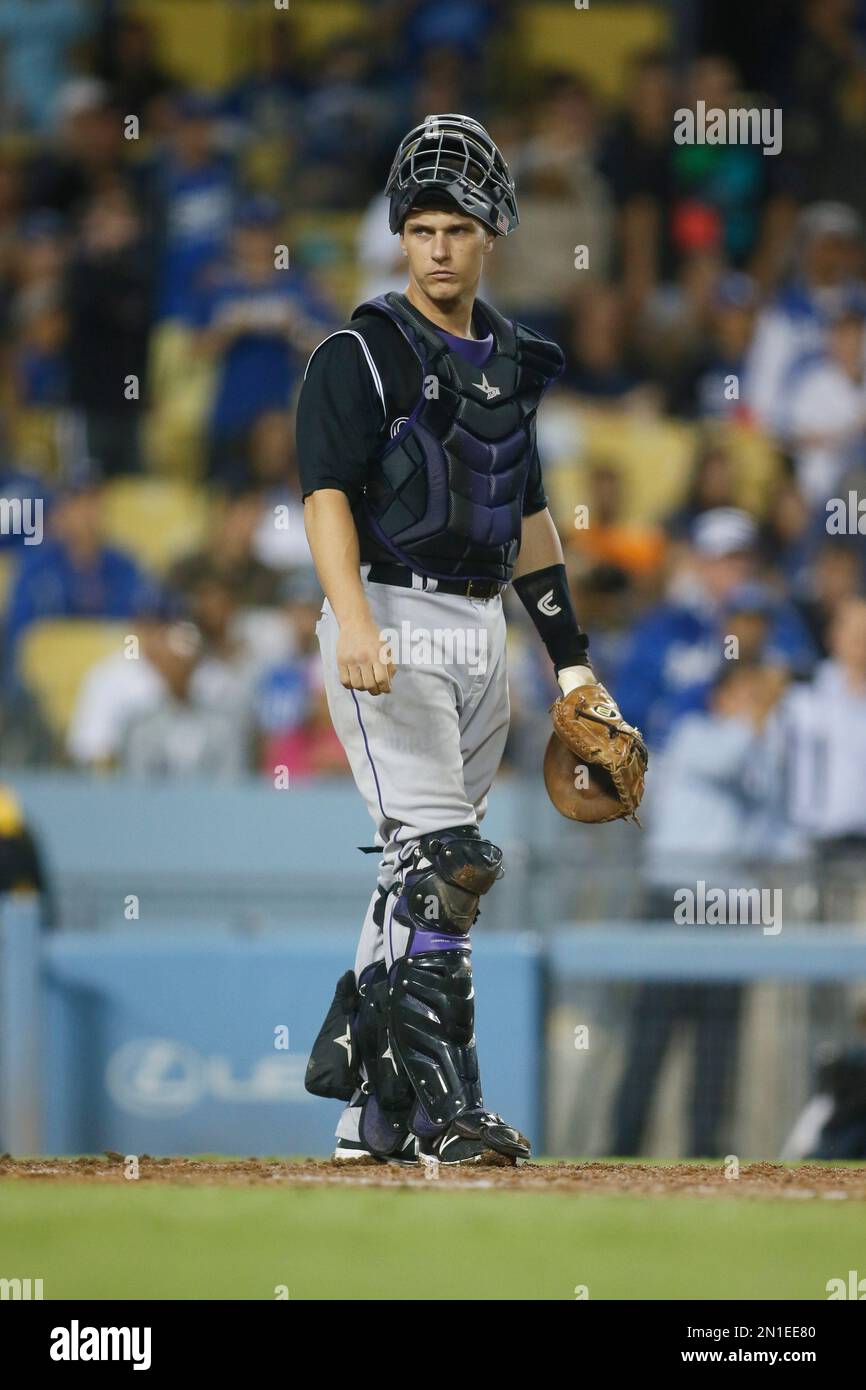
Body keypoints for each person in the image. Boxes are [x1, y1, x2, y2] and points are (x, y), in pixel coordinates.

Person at [298, 114, 622, 1166]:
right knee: (447, 864)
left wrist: (568, 658)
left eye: (456, 227)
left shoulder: (517, 361)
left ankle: (369, 1121)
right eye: (421, 227)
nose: (436, 247)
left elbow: (526, 517)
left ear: (492, 234)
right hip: (387, 614)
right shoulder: (360, 350)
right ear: (402, 235)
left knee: (418, 873)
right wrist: (348, 616)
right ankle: (446, 1113)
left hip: (481, 624)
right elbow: (324, 496)